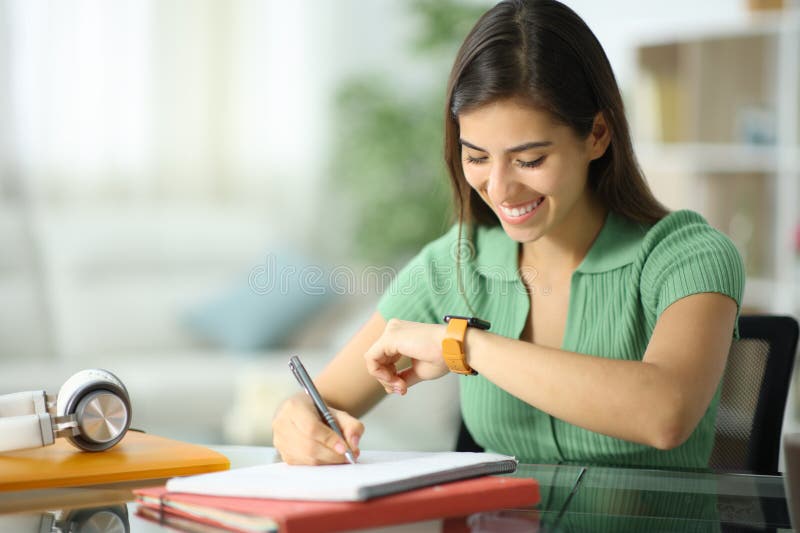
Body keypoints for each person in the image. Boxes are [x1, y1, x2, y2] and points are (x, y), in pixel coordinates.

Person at [272, 0, 744, 469]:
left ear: (597, 134)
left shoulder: (688, 256)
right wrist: (295, 421)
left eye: (529, 160)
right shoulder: (453, 262)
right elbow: (321, 403)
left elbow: (665, 413)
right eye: (476, 157)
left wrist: (461, 346)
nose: (498, 189)